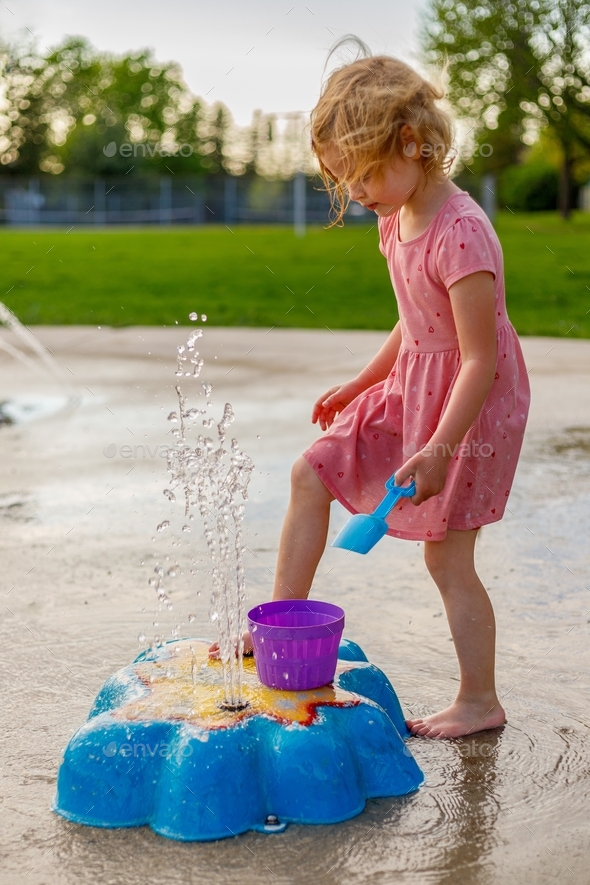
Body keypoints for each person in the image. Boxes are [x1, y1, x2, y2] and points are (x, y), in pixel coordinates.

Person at [211, 50, 530, 739]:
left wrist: (443, 449)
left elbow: (477, 356)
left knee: (446, 556)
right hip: (410, 382)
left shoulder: (462, 232)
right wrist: (364, 381)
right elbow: (418, 318)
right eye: (341, 178)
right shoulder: (396, 214)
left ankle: (480, 698)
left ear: (412, 143)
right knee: (309, 471)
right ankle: (271, 627)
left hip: (467, 405)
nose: (354, 192)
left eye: (361, 173)